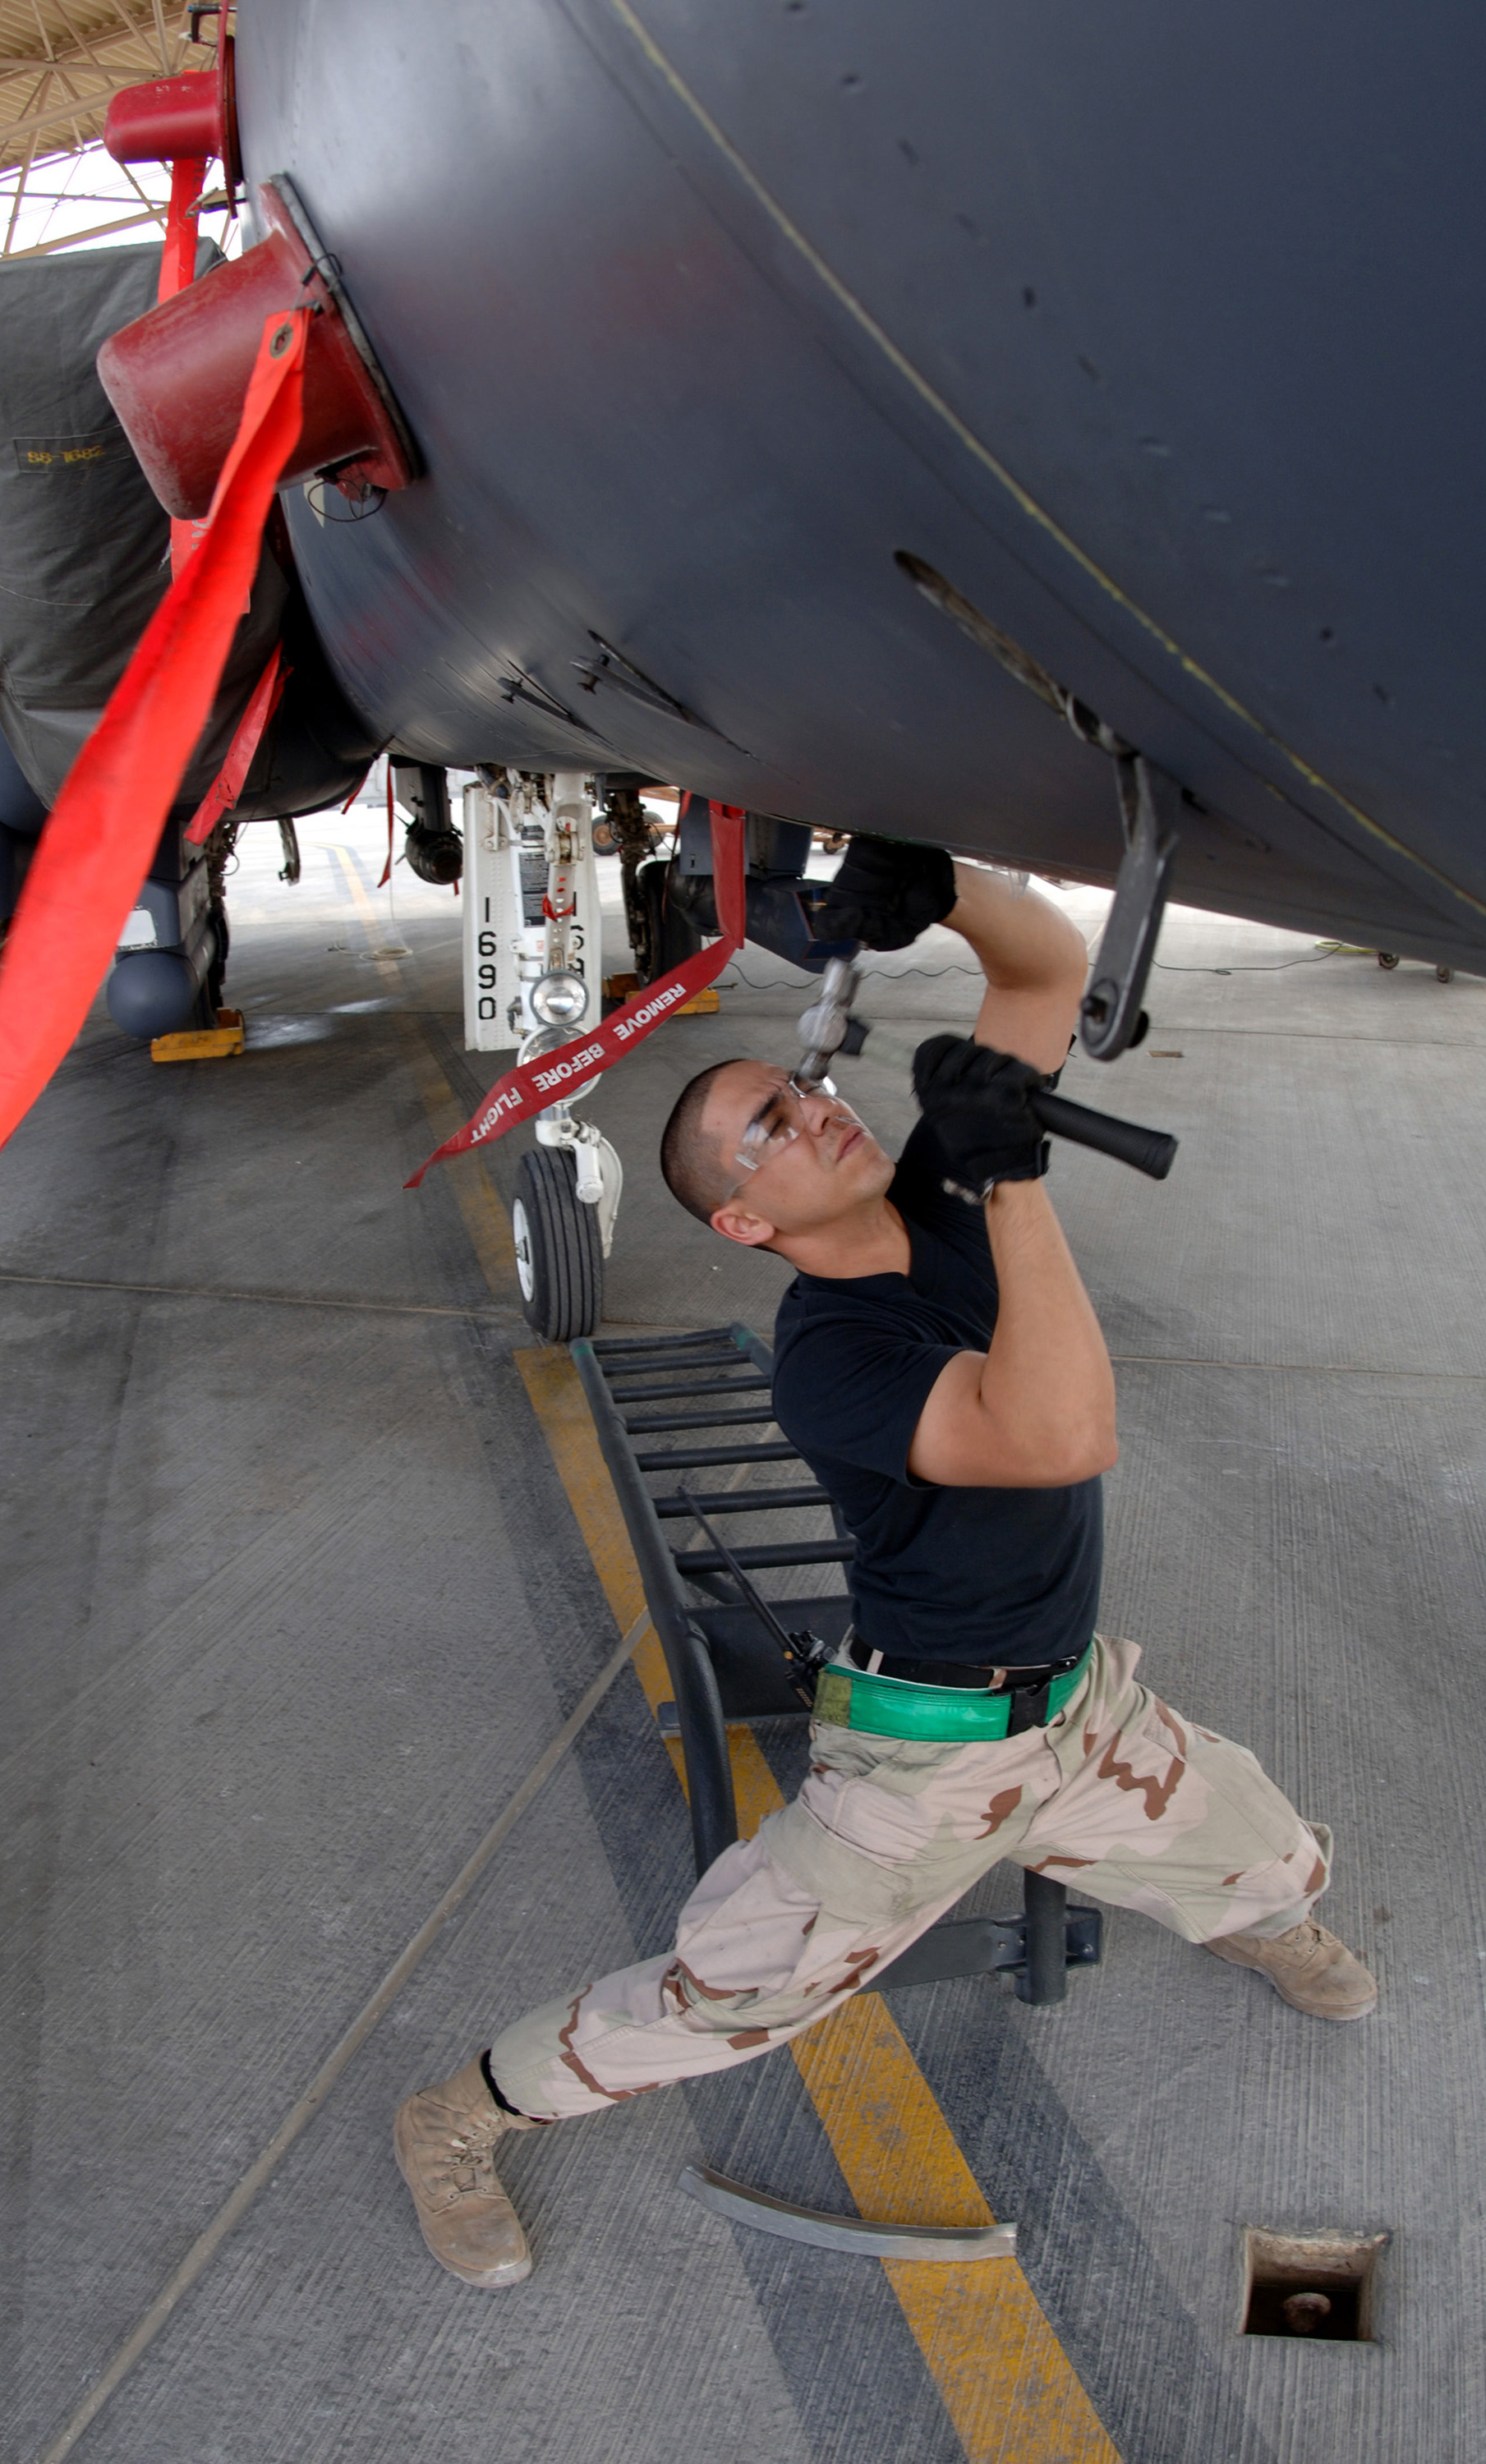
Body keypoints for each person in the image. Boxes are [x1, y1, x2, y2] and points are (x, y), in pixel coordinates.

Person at [394, 838, 1376, 2290]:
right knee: (728, 1996)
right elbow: (1061, 1433)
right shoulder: (829, 1361)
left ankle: (1256, 1920)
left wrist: (943, 887)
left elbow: (1046, 969)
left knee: (1277, 1862)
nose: (818, 1113)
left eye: (803, 1090)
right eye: (770, 1130)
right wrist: (1016, 1183)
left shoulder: (935, 1194)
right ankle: (456, 2117)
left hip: (1078, 1706)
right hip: (930, 1759)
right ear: (746, 1225)